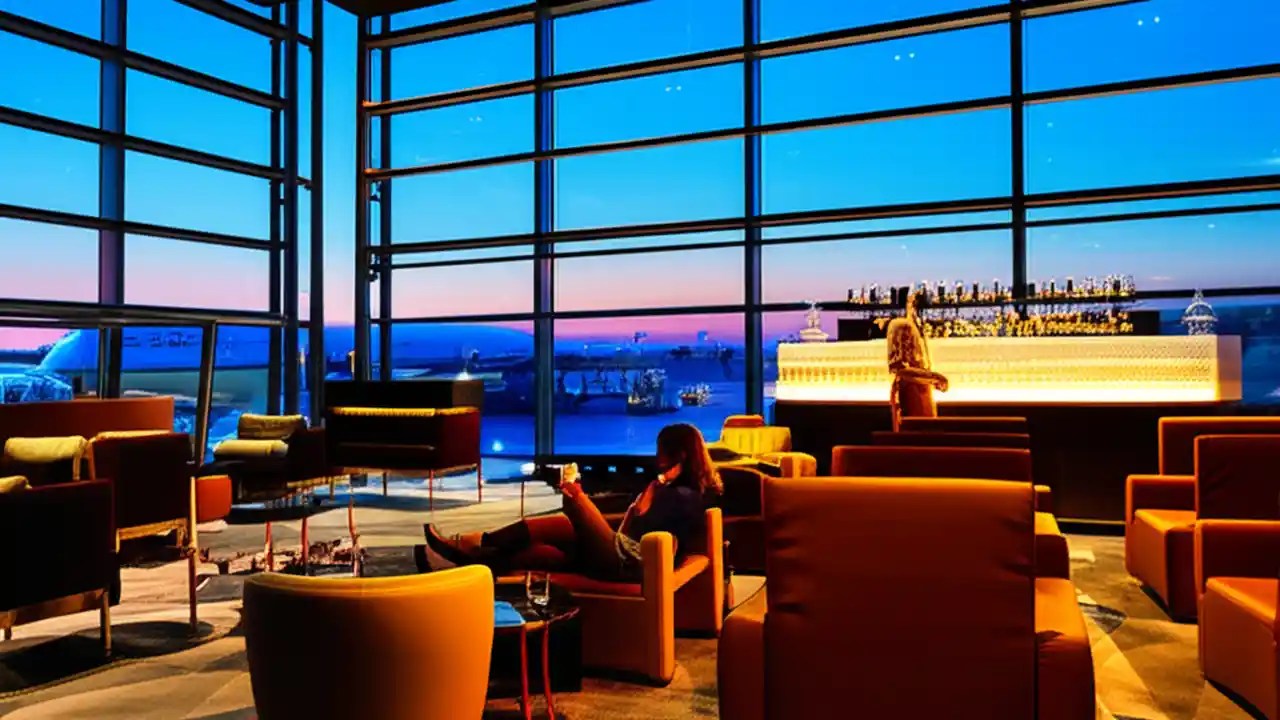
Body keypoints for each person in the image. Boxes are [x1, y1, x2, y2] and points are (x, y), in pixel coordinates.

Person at [417, 423, 721, 581]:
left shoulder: (681, 496)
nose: (656, 458)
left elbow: (635, 531)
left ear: (679, 455)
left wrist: (651, 495)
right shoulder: (675, 491)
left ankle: (466, 547)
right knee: (539, 551)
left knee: (573, 504)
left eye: (662, 451)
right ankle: (470, 557)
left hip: (630, 563)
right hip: (622, 552)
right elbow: (631, 525)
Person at [886, 289, 949, 430]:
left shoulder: (916, 327)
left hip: (923, 394)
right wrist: (934, 377)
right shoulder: (900, 325)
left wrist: (931, 379)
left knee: (927, 441)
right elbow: (898, 369)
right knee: (916, 440)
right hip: (911, 396)